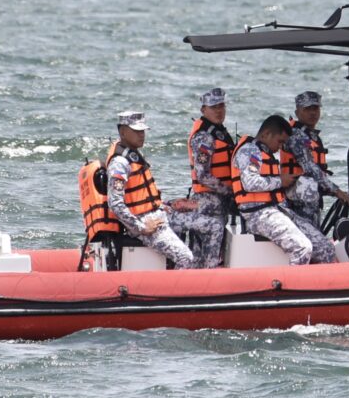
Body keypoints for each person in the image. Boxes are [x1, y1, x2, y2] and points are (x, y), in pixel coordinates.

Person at [80, 110, 195, 269]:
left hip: (157, 214)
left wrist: (171, 205)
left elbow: (143, 196)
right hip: (144, 224)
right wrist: (141, 227)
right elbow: (115, 204)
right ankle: (177, 288)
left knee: (204, 219)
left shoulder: (133, 154)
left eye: (142, 131)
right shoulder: (120, 163)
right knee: (186, 258)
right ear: (122, 132)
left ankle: (203, 269)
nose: (141, 135)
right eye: (136, 131)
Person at [234, 114, 340, 265]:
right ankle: (294, 286)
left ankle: (320, 285)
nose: (279, 147)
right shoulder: (249, 151)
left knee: (326, 248)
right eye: (279, 141)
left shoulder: (265, 152)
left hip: (279, 209)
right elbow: (250, 182)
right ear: (265, 134)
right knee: (302, 248)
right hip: (258, 214)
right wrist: (280, 180)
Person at [170, 86, 237, 269]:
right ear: (203, 110)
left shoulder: (219, 132)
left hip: (218, 202)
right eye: (214, 107)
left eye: (222, 106)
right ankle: (204, 278)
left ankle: (198, 279)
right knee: (204, 250)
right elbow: (202, 175)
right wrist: (230, 190)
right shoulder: (204, 137)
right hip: (207, 201)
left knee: (202, 250)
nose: (219, 111)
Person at [284, 89, 349, 232]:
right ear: (297, 112)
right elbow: (310, 168)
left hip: (310, 199)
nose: (313, 113)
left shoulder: (312, 136)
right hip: (298, 201)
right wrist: (336, 190)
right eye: (307, 109)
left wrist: (332, 192)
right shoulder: (296, 136)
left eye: (316, 108)